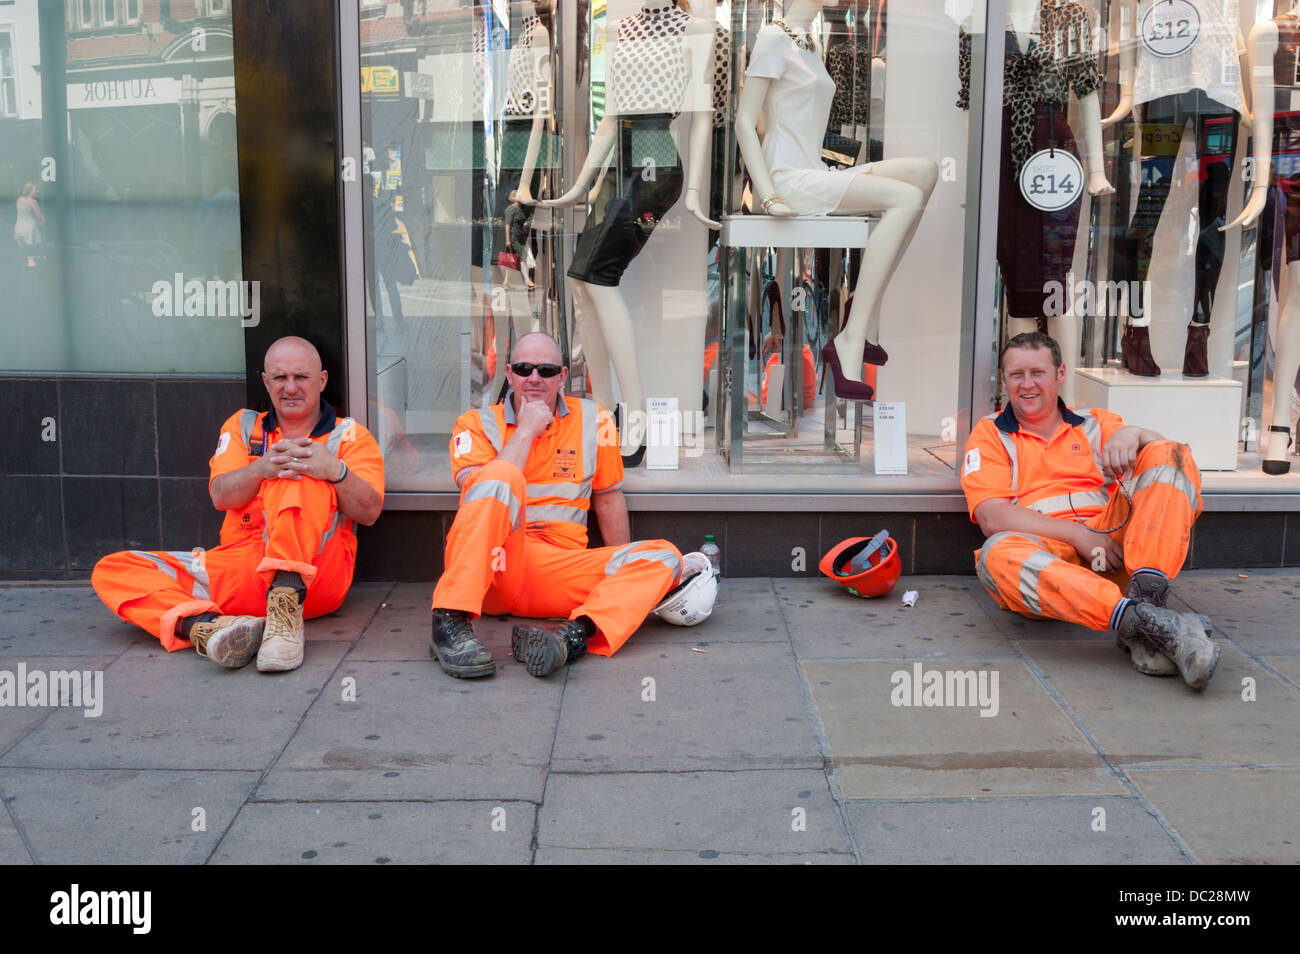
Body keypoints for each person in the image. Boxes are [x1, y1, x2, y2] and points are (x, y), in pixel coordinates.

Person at [92, 337, 384, 672]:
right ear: (265, 381)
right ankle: (209, 628)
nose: (290, 387)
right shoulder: (244, 427)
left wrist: (333, 470)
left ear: (321, 381)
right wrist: (262, 468)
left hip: (315, 579)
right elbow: (221, 496)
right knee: (113, 570)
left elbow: (370, 511)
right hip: (244, 572)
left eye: (301, 377)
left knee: (297, 472)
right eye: (280, 378)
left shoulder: (348, 436)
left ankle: (286, 607)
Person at [961, 332, 1219, 690]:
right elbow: (992, 516)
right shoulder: (990, 434)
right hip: (1051, 563)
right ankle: (1151, 625)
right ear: (1004, 380)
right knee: (997, 556)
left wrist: (1136, 433)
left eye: (1038, 372)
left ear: (1060, 374)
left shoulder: (1096, 423)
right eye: (1016, 375)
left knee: (1169, 451)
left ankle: (1147, 600)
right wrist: (1080, 536)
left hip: (1118, 553)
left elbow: (1172, 464)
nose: (1027, 384)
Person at [429, 331, 683, 678]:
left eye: (546, 370)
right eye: (523, 368)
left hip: (559, 572)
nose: (534, 378)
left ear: (562, 377)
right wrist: (527, 428)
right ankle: (450, 618)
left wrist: (621, 572)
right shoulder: (474, 425)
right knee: (499, 475)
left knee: (665, 556)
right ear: (509, 373)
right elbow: (479, 491)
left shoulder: (596, 420)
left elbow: (608, 498)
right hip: (494, 570)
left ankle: (571, 635)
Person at [502, 190, 534, 291]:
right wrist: (508, 240)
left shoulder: (520, 209)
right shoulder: (510, 209)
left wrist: (524, 229)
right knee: (522, 258)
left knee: (512, 260)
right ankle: (527, 280)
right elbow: (507, 225)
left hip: (521, 237)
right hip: (514, 238)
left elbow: (521, 222)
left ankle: (506, 282)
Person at [14, 182, 45, 267]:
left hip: (19, 227)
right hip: (29, 228)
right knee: (31, 255)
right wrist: (43, 221)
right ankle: (32, 273)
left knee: (23, 253)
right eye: (36, 190)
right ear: (30, 191)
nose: (37, 191)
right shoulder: (33, 201)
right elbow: (39, 216)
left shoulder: (19, 199)